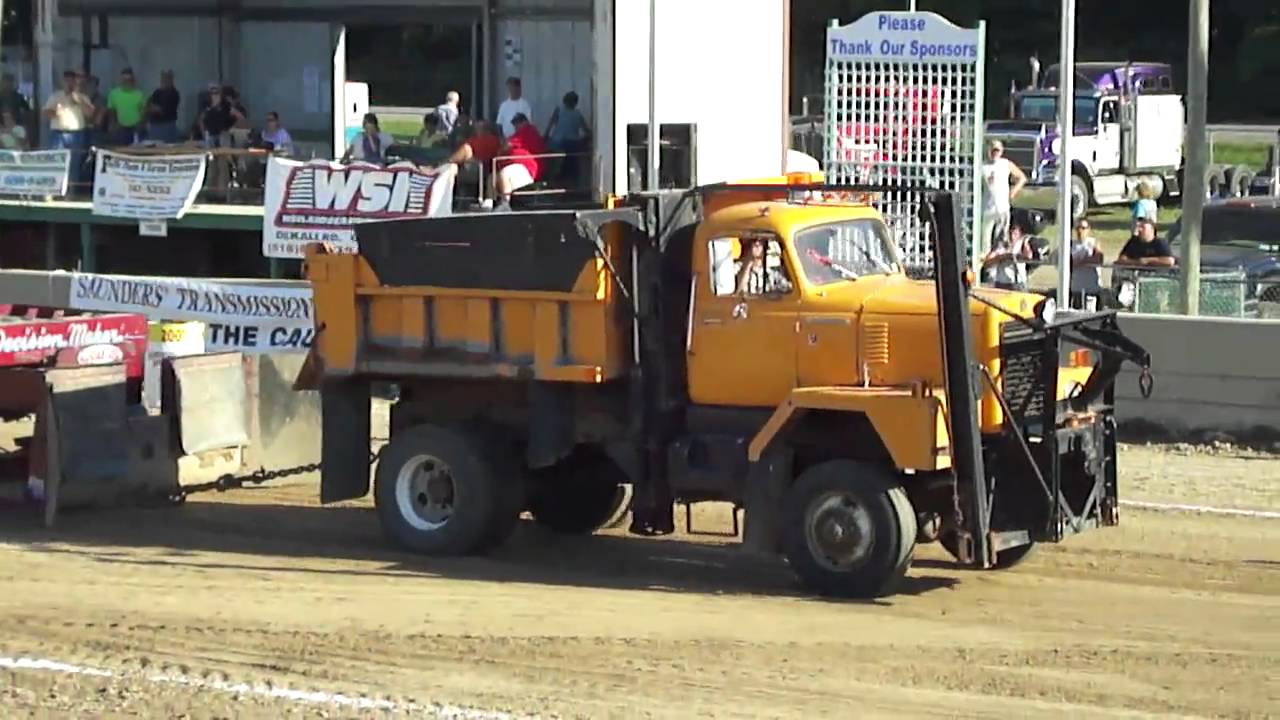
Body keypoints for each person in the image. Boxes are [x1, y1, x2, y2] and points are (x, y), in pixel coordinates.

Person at [43, 70, 94, 187]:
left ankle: (71, 191)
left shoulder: (83, 97)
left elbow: (90, 114)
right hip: (58, 133)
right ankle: (54, 189)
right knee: (55, 161)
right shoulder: (55, 96)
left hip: (76, 134)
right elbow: (46, 114)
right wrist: (56, 112)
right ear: (63, 82)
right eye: (66, 81)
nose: (69, 83)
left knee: (74, 163)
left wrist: (79, 100)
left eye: (72, 80)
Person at [981, 139, 1027, 253]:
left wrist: (1013, 191)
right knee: (984, 244)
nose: (995, 153)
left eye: (997, 150)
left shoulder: (1005, 164)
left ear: (1001, 151)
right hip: (986, 210)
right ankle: (984, 266)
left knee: (1001, 242)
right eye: (993, 150)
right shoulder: (982, 166)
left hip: (1002, 209)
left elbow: (1022, 177)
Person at [493, 112, 546, 209]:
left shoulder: (528, 130)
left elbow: (506, 145)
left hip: (527, 169)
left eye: (517, 123)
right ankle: (489, 204)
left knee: (505, 174)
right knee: (491, 177)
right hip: (516, 168)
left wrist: (500, 148)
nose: (515, 126)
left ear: (523, 122)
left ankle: (505, 204)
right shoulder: (520, 133)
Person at [543, 90, 590, 182]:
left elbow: (550, 125)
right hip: (573, 144)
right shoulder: (578, 114)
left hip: (557, 143)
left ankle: (555, 178)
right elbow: (586, 131)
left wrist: (545, 137)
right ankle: (574, 179)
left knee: (554, 162)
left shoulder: (558, 110)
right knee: (575, 161)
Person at [982, 221, 1033, 290]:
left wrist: (1025, 243)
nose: (1012, 236)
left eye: (1015, 233)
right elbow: (987, 263)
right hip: (1003, 284)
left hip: (1019, 283)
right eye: (1010, 232)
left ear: (1019, 233)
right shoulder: (1000, 246)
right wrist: (1001, 257)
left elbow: (1029, 257)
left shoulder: (1022, 244)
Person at [106, 67, 147, 145]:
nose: (127, 82)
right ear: (121, 80)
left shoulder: (139, 94)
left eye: (129, 80)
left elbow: (144, 111)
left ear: (133, 80)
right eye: (124, 80)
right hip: (120, 128)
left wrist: (142, 123)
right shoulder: (114, 93)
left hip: (136, 128)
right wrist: (113, 124)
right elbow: (111, 110)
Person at [146, 69, 181, 143]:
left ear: (171, 79)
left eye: (167, 78)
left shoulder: (174, 93)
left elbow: (162, 110)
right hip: (154, 126)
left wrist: (155, 108)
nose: (165, 80)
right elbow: (148, 106)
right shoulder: (157, 92)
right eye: (163, 78)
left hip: (167, 126)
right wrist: (153, 108)